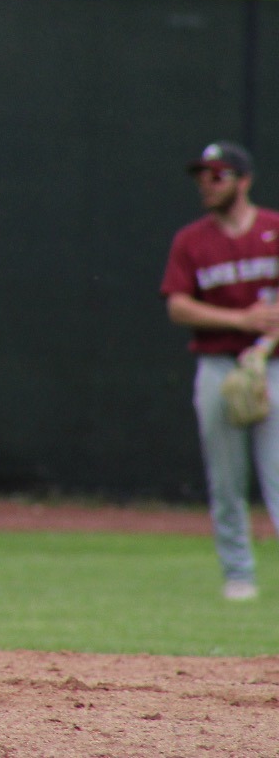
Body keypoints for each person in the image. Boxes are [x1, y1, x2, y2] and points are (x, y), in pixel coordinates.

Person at [161, 141, 279, 601]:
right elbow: (178, 306)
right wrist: (239, 321)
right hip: (217, 367)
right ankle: (239, 576)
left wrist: (265, 341)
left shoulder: (274, 230)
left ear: (243, 180)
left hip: (270, 367)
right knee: (226, 480)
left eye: (218, 175)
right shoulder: (192, 240)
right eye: (202, 177)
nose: (206, 184)